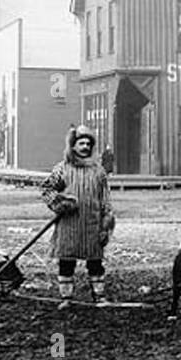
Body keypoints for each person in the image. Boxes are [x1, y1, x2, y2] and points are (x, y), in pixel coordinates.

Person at [40, 125, 115, 304]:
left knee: (95, 263)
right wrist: (60, 202)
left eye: (88, 144)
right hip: (69, 225)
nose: (85, 147)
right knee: (66, 262)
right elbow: (47, 189)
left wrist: (105, 225)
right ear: (73, 146)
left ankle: (99, 296)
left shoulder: (99, 171)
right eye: (81, 143)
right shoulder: (62, 168)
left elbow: (105, 200)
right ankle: (67, 298)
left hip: (92, 224)